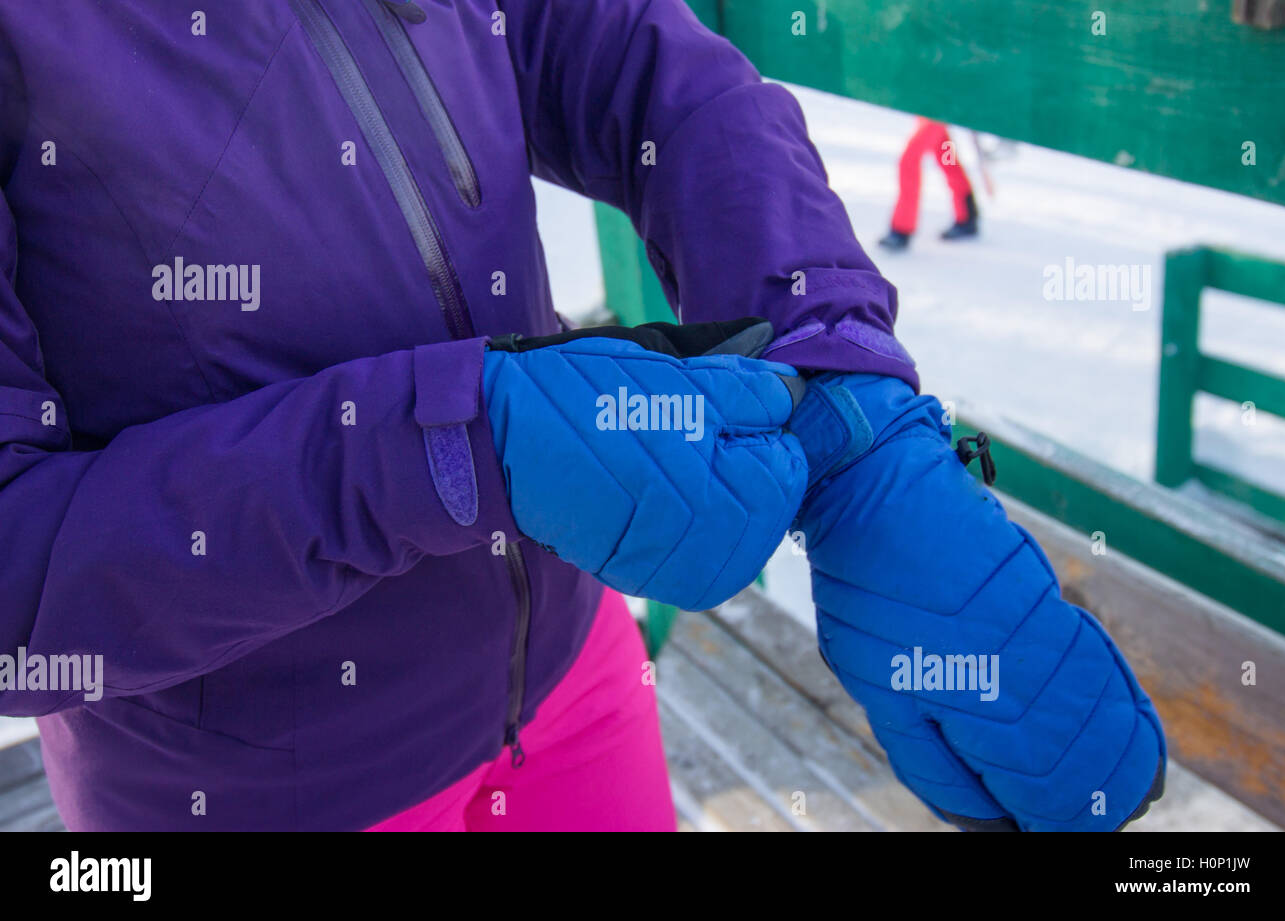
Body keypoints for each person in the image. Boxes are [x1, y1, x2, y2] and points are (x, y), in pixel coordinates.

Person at [0, 0, 1163, 832]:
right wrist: (445, 448)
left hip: (568, 664)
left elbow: (657, 78)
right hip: (252, 780)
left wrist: (841, 375)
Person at [879, 118, 979, 250]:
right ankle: (967, 214)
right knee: (946, 156)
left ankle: (902, 228)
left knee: (909, 160)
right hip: (929, 109)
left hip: (939, 108)